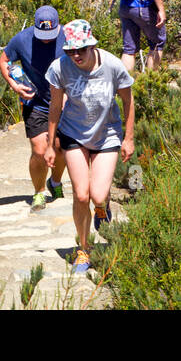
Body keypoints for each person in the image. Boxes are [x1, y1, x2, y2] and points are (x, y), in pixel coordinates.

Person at [45, 19, 135, 274]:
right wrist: (51, 145)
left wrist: (128, 138)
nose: (75, 55)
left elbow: (128, 102)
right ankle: (84, 249)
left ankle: (102, 206)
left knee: (97, 194)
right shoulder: (59, 68)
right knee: (81, 194)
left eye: (80, 50)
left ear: (92, 46)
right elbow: (54, 107)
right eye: (70, 50)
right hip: (74, 132)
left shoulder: (113, 66)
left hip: (107, 134)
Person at [0, 5, 67, 211]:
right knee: (39, 150)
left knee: (60, 148)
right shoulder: (21, 39)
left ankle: (55, 182)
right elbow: (4, 60)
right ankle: (39, 193)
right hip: (35, 102)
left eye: (50, 34)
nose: (46, 38)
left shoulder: (68, 36)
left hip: (64, 101)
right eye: (42, 34)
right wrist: (14, 84)